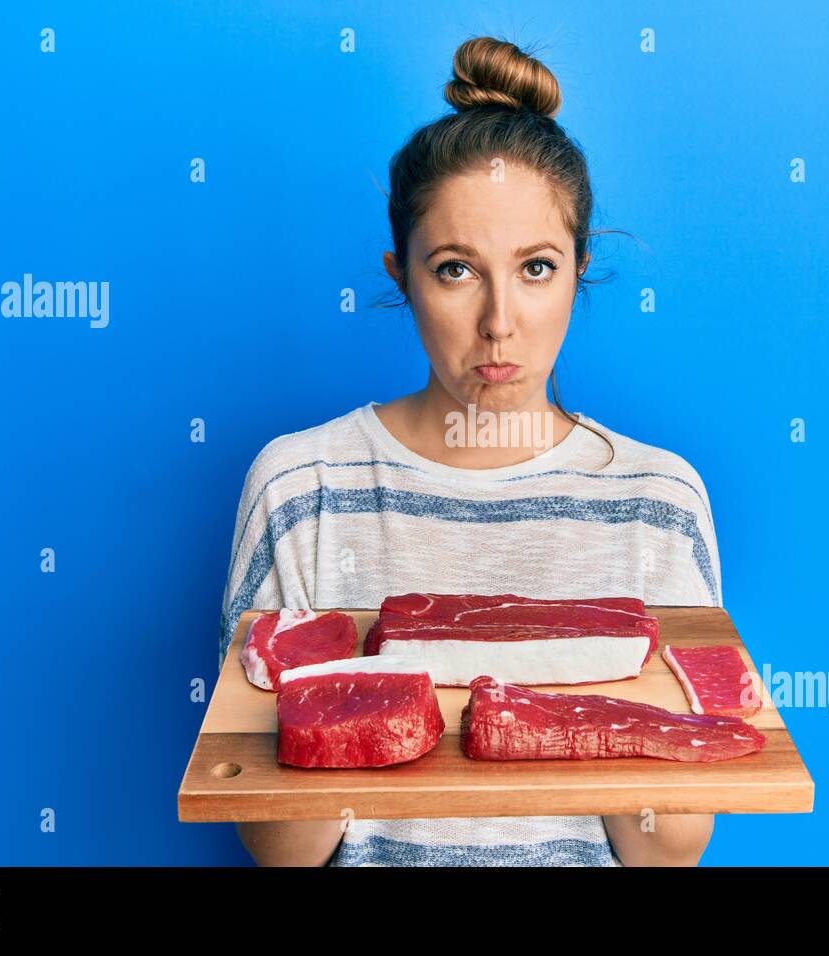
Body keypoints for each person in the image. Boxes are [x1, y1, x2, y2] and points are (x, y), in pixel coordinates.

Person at [219, 36, 722, 866]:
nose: (499, 321)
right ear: (402, 274)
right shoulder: (300, 487)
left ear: (579, 269)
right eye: (455, 270)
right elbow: (284, 849)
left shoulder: (657, 500)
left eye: (535, 267)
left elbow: (663, 852)